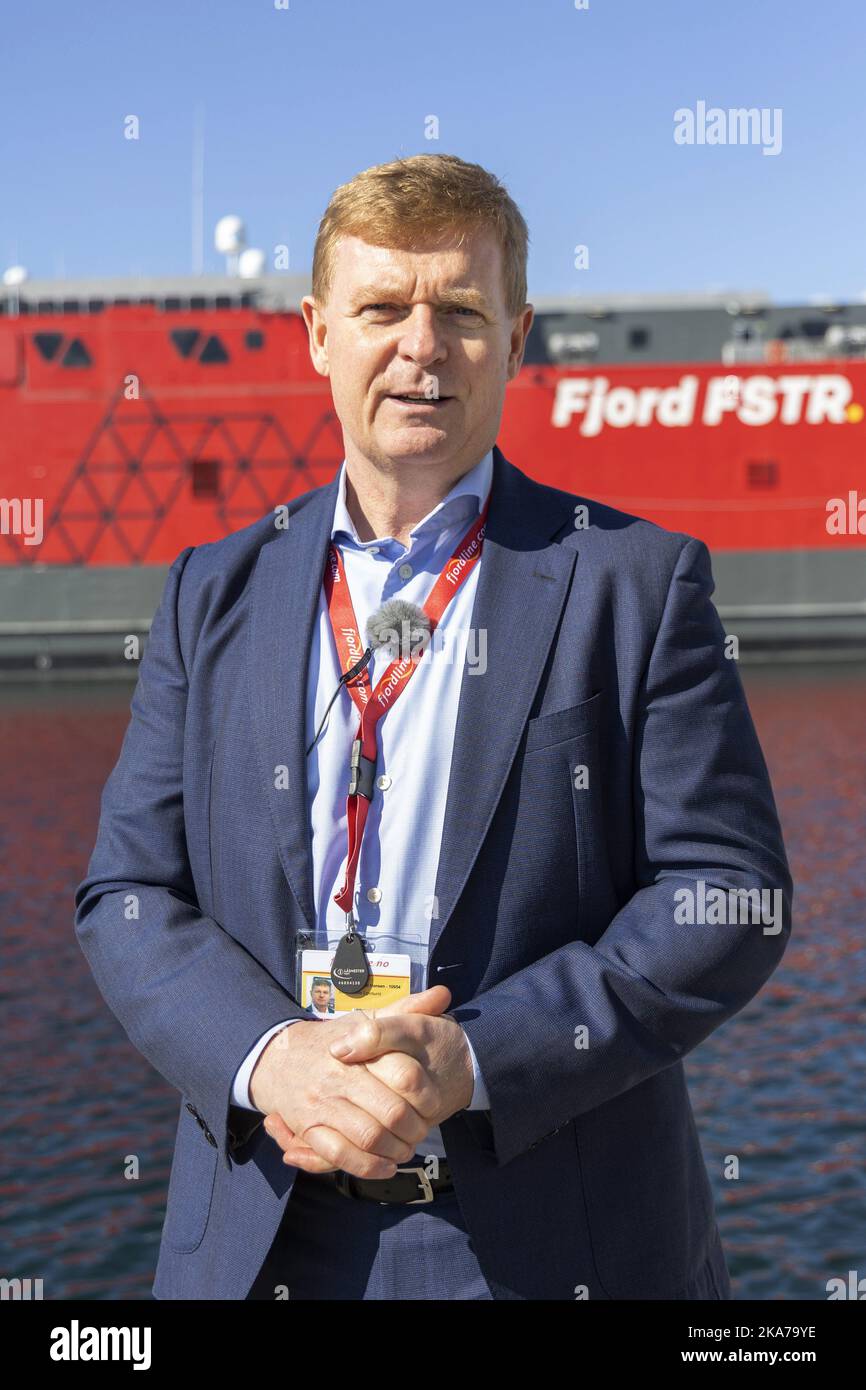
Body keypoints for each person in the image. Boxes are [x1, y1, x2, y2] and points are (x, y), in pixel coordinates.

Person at [74, 153, 793, 1301]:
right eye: (380, 308)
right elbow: (126, 894)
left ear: (515, 342)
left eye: (459, 309)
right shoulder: (207, 591)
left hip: (553, 1243)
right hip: (261, 1234)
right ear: (317, 334)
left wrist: (479, 1054)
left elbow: (726, 893)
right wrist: (273, 1061)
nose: (420, 345)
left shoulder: (635, 583)